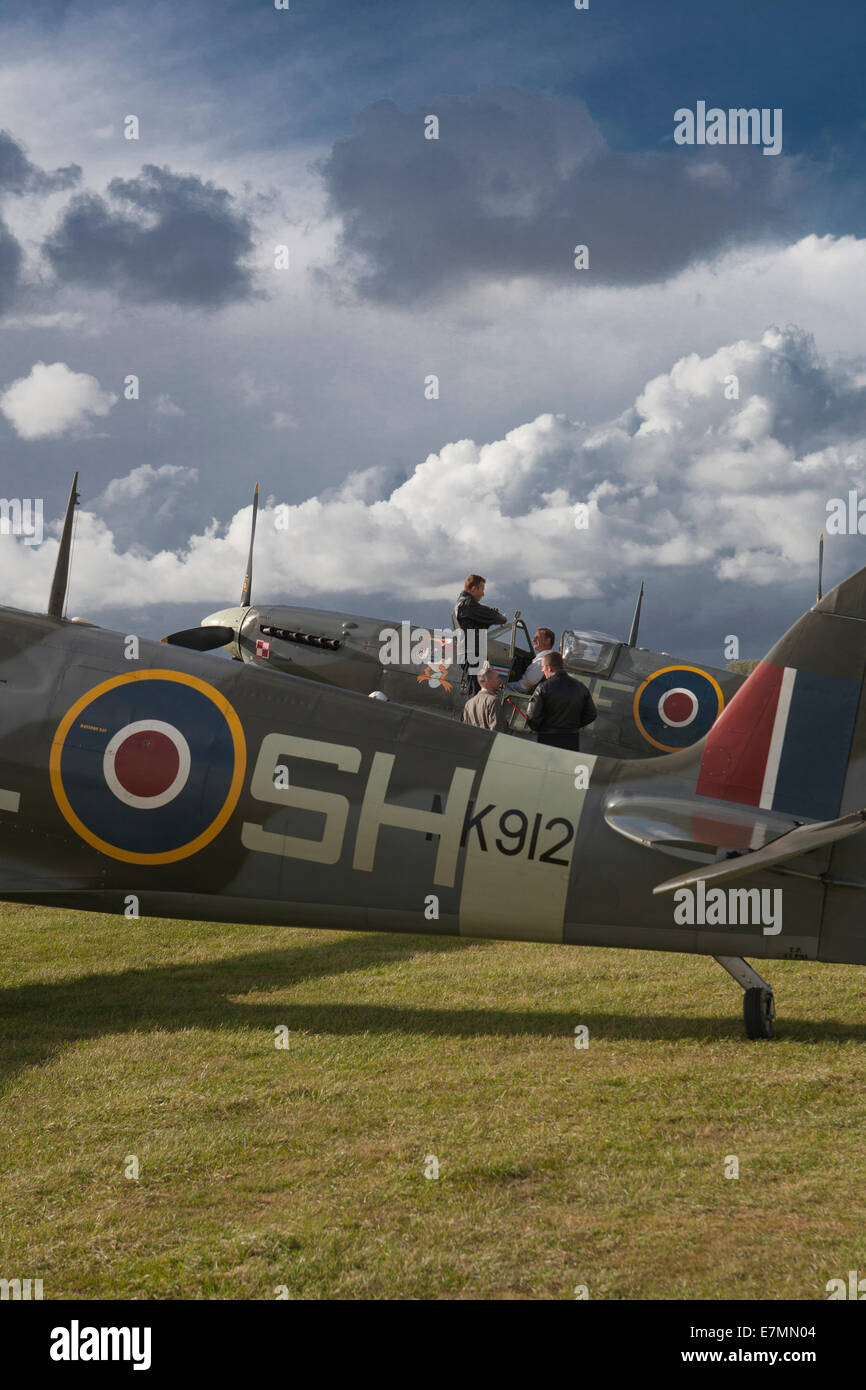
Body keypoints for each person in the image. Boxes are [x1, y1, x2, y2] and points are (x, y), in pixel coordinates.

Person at [526, 651, 596, 751]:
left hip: (547, 740)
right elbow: (591, 714)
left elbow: (532, 716)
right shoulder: (581, 687)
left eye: (543, 667)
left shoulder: (543, 687)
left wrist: (542, 729)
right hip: (571, 740)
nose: (542, 670)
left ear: (549, 668)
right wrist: (573, 727)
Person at [452, 574, 508, 695]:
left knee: (475, 690)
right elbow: (500, 619)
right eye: (481, 589)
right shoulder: (468, 604)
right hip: (472, 655)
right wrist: (495, 615)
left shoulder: (460, 604)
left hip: (467, 653)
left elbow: (475, 626)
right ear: (473, 589)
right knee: (476, 692)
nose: (483, 594)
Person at [507, 626, 557, 693]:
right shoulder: (545, 659)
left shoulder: (541, 662)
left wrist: (504, 685)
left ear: (547, 641)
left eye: (537, 638)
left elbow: (522, 687)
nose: (533, 640)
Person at [461, 663, 509, 733]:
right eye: (497, 678)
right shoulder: (493, 701)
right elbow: (497, 732)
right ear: (487, 680)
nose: (500, 681)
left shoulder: (469, 703)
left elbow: (465, 730)